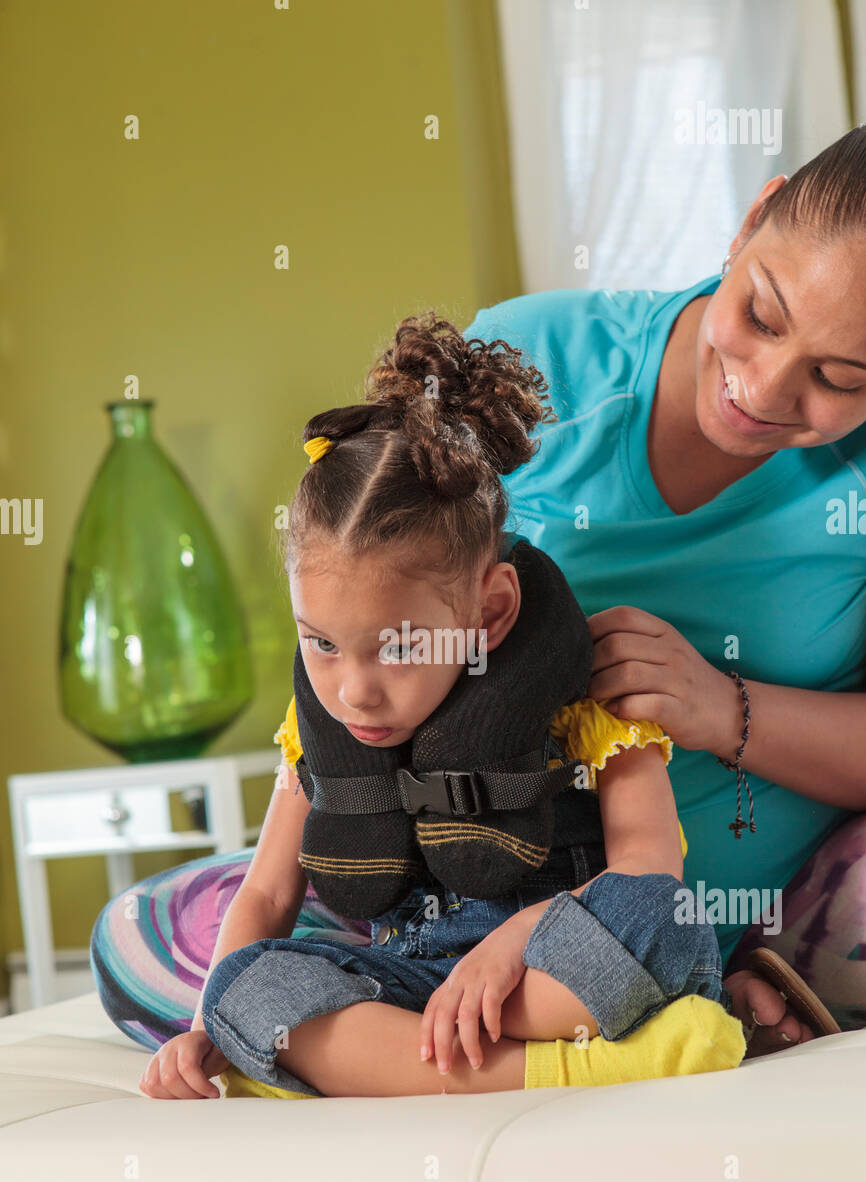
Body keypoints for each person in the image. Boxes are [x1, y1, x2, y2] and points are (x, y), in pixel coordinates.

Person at [135, 312, 747, 1099]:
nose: (353, 689)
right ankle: (574, 1069)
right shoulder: (316, 731)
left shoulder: (583, 700)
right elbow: (266, 892)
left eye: (394, 647)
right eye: (321, 644)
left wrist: (514, 945)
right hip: (412, 985)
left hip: (545, 976)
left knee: (664, 918)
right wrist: (201, 1032)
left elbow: (649, 865)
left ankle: (384, 1069)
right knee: (244, 990)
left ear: (490, 613)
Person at [459, 127, 866, 1054]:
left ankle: (695, 992)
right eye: (762, 316)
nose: (762, 390)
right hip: (461, 884)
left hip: (715, 923)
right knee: (153, 935)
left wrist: (724, 708)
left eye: (839, 379)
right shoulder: (526, 357)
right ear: (752, 219)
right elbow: (356, 597)